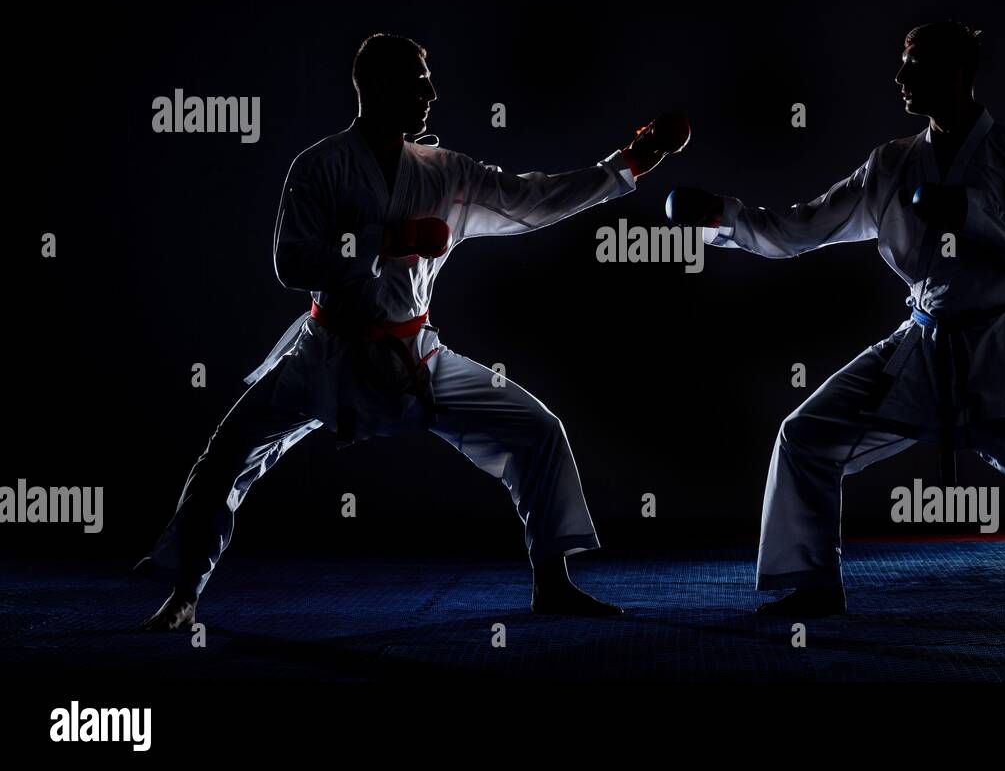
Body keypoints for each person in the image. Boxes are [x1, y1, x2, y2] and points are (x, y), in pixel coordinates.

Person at [136, 33, 688, 629]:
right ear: (376, 87)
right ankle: (185, 593)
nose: (432, 92)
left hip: (415, 356)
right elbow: (291, 261)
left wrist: (628, 163)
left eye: (429, 80)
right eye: (418, 80)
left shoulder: (444, 170)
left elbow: (534, 198)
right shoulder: (320, 166)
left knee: (539, 430)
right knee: (226, 458)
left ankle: (552, 582)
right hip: (327, 355)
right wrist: (384, 241)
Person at [665, 21, 1005, 634]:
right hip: (921, 342)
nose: (899, 78)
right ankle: (812, 587)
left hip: (999, 353)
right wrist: (721, 216)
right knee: (805, 436)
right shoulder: (891, 163)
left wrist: (972, 215)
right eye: (901, 64)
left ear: (958, 75)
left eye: (913, 65)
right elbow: (803, 227)